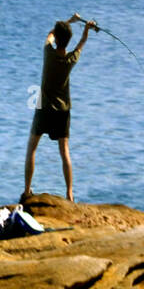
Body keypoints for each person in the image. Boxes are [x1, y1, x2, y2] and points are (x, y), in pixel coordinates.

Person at [24, 17, 94, 202]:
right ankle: (70, 193)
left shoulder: (48, 52)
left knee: (32, 148)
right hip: (62, 111)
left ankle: (27, 189)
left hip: (43, 108)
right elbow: (81, 44)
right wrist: (86, 29)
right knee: (64, 152)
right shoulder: (70, 60)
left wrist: (69, 21)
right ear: (68, 41)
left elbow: (50, 35)